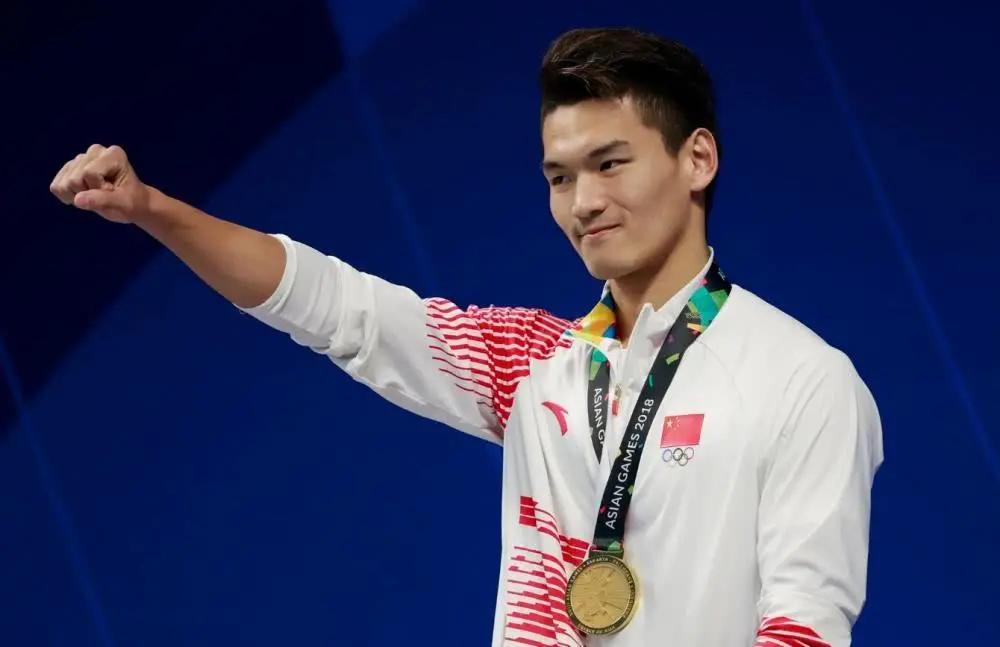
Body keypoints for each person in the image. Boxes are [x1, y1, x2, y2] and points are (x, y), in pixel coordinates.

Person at [48, 26, 883, 647]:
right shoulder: (538, 366)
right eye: (560, 177)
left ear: (697, 159)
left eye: (611, 163)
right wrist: (153, 210)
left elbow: (806, 624)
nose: (582, 201)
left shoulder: (803, 378)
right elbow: (338, 308)